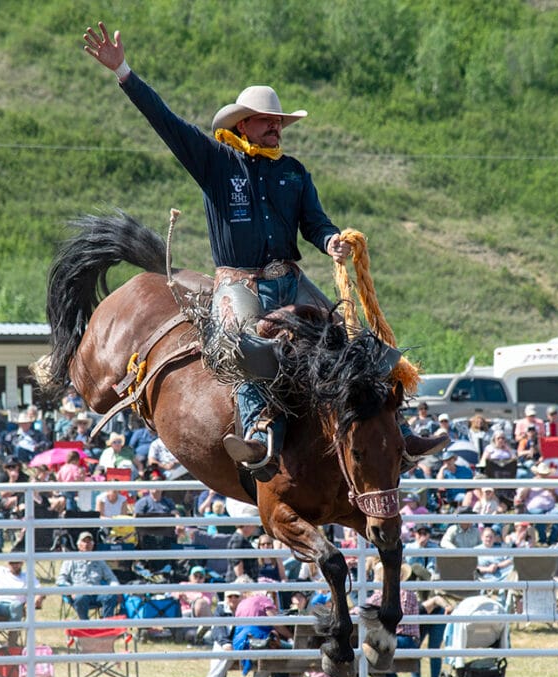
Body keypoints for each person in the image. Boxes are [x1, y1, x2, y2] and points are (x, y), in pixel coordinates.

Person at [82, 21, 446, 480]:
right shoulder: (215, 162)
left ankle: (399, 433)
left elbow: (314, 221)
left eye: (279, 121)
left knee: (358, 346)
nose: (276, 127)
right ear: (243, 125)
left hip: (290, 277)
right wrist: (125, 73)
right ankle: (257, 435)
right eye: (267, 120)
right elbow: (167, 123)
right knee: (239, 347)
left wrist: (330, 239)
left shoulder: (293, 172)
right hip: (239, 283)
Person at [56, 531, 121, 619]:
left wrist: (116, 588)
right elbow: (61, 580)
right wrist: (71, 591)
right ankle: (86, 626)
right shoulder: (70, 560)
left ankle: (107, 625)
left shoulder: (99, 560)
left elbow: (111, 578)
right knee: (80, 598)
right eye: (84, 541)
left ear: (93, 545)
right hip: (79, 592)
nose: (86, 544)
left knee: (111, 596)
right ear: (78, 545)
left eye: (89, 542)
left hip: (97, 593)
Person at [204, 589, 243, 677]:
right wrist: (225, 643)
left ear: (241, 598)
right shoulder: (221, 608)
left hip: (240, 642)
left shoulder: (244, 609)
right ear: (225, 598)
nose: (233, 599)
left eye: (236, 596)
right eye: (230, 597)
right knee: (222, 651)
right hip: (224, 641)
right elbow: (217, 628)